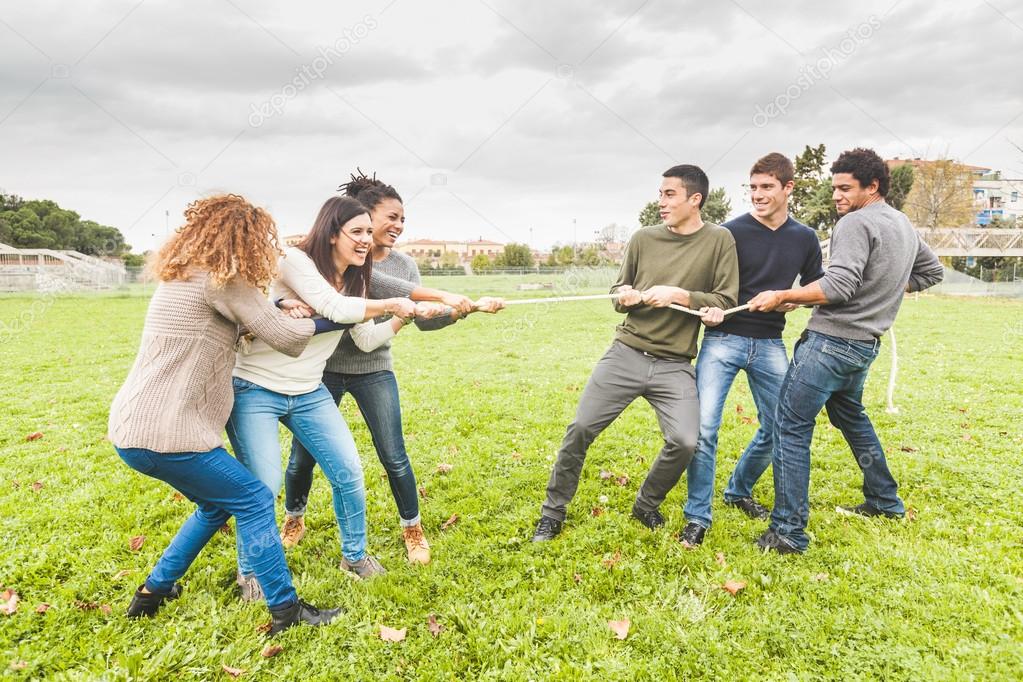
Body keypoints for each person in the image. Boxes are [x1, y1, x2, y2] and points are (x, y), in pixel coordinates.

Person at [108, 194, 341, 636]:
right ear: (245, 240)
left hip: (132, 431)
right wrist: (343, 315)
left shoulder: (184, 277)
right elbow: (288, 339)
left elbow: (238, 315)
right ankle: (286, 610)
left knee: (216, 505)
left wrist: (274, 306)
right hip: (171, 436)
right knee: (253, 499)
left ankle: (153, 592)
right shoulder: (226, 282)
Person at [281, 171, 504, 566]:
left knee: (394, 454)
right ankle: (294, 518)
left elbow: (417, 315)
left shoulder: (403, 266)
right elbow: (387, 290)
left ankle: (412, 528)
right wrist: (436, 295)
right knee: (303, 455)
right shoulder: (344, 261)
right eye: (392, 217)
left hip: (373, 366)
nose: (399, 226)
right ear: (360, 219)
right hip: (325, 369)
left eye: (403, 219)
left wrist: (456, 312)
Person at [227, 195, 428, 597]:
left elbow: (366, 338)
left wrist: (399, 319)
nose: (365, 241)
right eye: (356, 232)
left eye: (368, 233)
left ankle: (355, 556)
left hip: (307, 390)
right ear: (331, 233)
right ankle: (249, 572)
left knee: (349, 472)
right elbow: (332, 307)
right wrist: (389, 302)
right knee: (262, 486)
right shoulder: (297, 262)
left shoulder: (355, 278)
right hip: (256, 387)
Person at [747, 147, 944, 554]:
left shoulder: (856, 223)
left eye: (844, 188)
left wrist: (786, 294)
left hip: (830, 345)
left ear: (872, 187)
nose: (836, 196)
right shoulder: (902, 223)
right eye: (833, 187)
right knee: (851, 417)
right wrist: (882, 291)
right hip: (863, 349)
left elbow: (837, 287)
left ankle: (787, 532)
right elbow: (931, 272)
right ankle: (885, 501)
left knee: (790, 427)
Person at [531, 164, 739, 542]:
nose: (660, 202)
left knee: (686, 441)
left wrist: (679, 295)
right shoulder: (644, 238)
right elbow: (617, 292)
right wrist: (624, 296)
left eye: (669, 194)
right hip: (626, 353)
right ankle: (552, 513)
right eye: (659, 193)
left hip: (675, 364)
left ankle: (646, 503)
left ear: (695, 199)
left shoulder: (719, 240)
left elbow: (725, 300)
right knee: (580, 430)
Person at [679, 153, 824, 548]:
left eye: (767, 187)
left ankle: (739, 489)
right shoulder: (730, 232)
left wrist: (792, 299)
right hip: (723, 340)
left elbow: (817, 289)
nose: (757, 195)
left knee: (780, 427)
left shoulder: (805, 238)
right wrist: (707, 310)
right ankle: (697, 517)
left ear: (788, 188)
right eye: (753, 187)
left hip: (770, 343)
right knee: (704, 430)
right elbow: (708, 286)